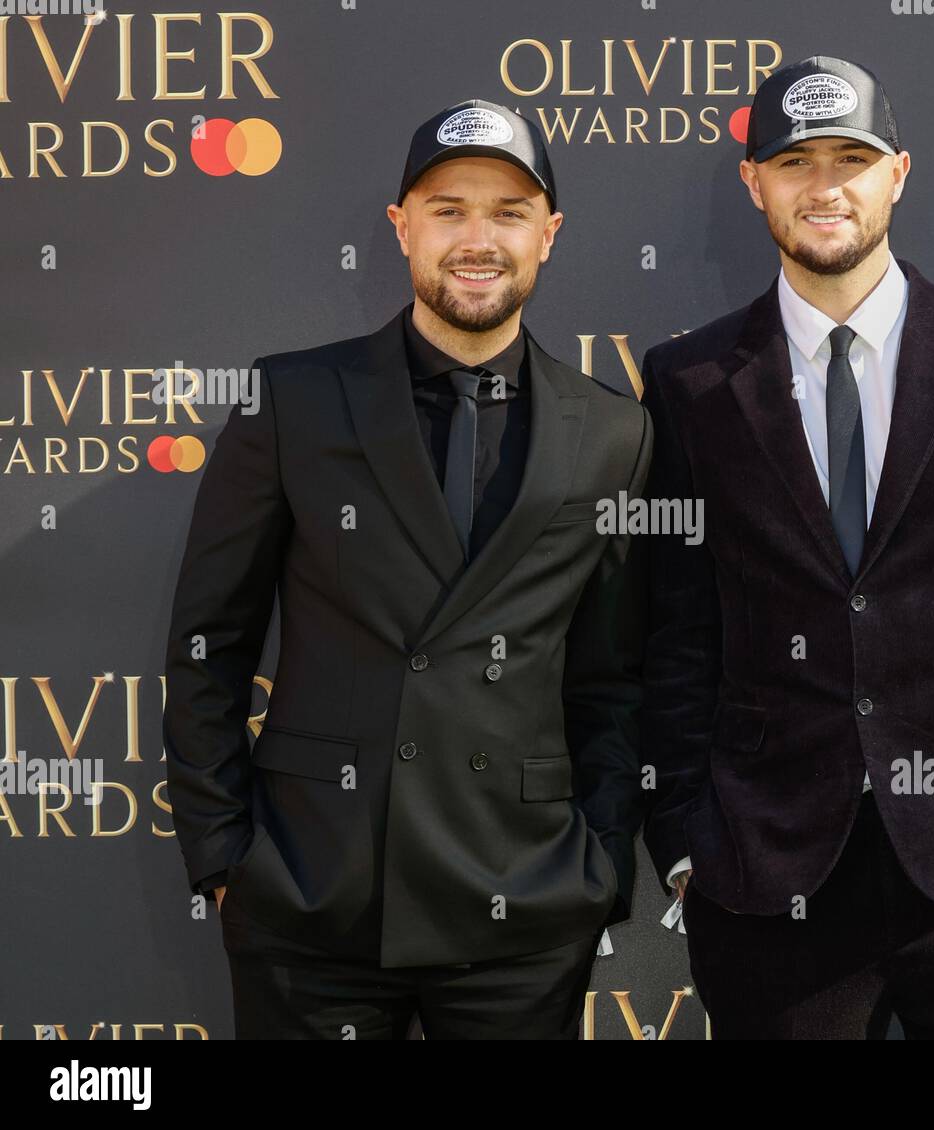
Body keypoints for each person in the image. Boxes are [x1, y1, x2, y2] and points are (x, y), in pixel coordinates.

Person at [639, 57, 934, 1039]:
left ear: (897, 173)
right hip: (771, 879)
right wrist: (687, 842)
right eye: (794, 160)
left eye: (851, 158)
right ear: (754, 183)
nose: (825, 185)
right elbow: (671, 628)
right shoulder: (689, 380)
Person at [163, 99, 651, 1039]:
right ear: (401, 227)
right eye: (448, 208)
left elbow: (611, 679)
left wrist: (601, 862)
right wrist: (226, 859)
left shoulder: (615, 434)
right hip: (314, 900)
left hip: (524, 910)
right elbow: (207, 646)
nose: (479, 238)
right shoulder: (294, 401)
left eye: (509, 212)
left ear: (549, 235)